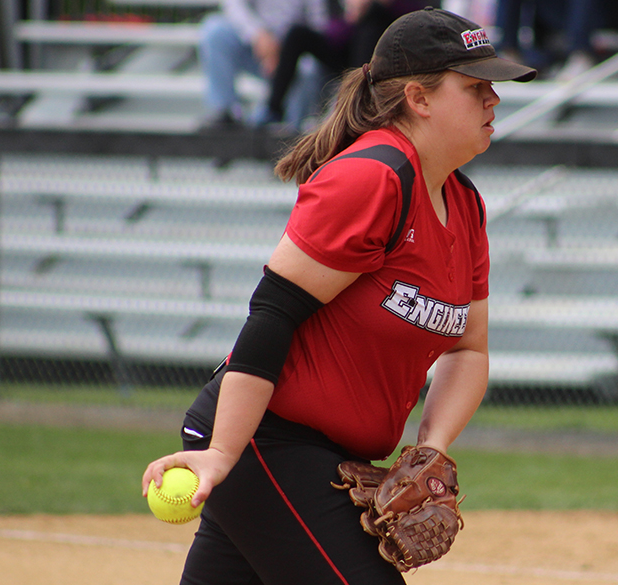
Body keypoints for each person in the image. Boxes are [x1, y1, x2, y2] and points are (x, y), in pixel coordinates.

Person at [142, 7, 535, 585]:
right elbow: (272, 315)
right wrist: (225, 453)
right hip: (263, 441)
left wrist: (430, 448)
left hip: (324, 458)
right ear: (418, 99)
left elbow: (467, 350)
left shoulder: (465, 205)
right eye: (475, 86)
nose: (493, 99)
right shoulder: (372, 177)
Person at [258, 0, 425, 127]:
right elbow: (330, 29)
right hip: (347, 50)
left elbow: (417, 17)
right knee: (297, 35)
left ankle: (357, 102)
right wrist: (353, 16)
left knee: (372, 21)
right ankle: (273, 109)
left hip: (384, 54)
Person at [198, 0, 331, 129]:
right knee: (215, 31)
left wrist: (285, 51)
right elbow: (234, 5)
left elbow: (319, 25)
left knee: (309, 67)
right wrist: (257, 34)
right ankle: (226, 111)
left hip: (295, 54)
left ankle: (291, 130)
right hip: (254, 46)